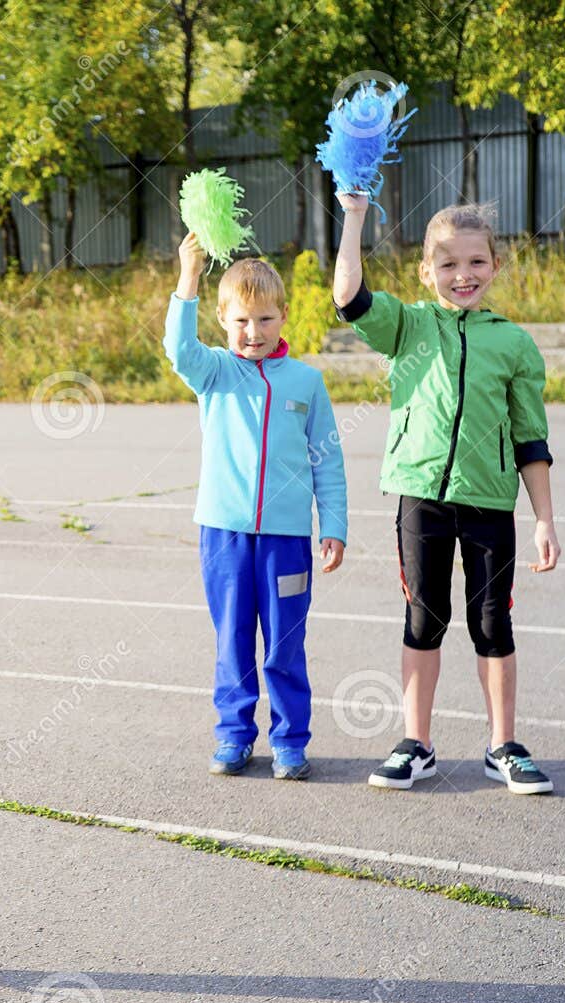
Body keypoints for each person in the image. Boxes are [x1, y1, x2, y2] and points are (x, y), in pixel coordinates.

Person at [332, 196, 559, 795]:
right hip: (420, 497)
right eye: (449, 263)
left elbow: (531, 438)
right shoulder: (407, 325)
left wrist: (544, 520)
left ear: (496, 266)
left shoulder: (513, 344)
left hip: (489, 501)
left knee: (492, 624)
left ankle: (503, 746)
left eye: (477, 262)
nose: (464, 274)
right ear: (425, 272)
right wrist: (355, 217)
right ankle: (416, 744)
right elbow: (349, 297)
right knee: (423, 618)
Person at [163, 234, 348, 781]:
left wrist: (332, 524)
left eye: (265, 320)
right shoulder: (214, 372)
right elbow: (178, 349)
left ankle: (290, 740)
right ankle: (234, 735)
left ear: (284, 317)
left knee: (285, 645)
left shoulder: (307, 382)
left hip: (287, 540)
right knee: (232, 641)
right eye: (242, 321)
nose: (254, 333)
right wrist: (188, 277)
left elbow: (328, 465)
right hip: (222, 535)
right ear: (222, 318)